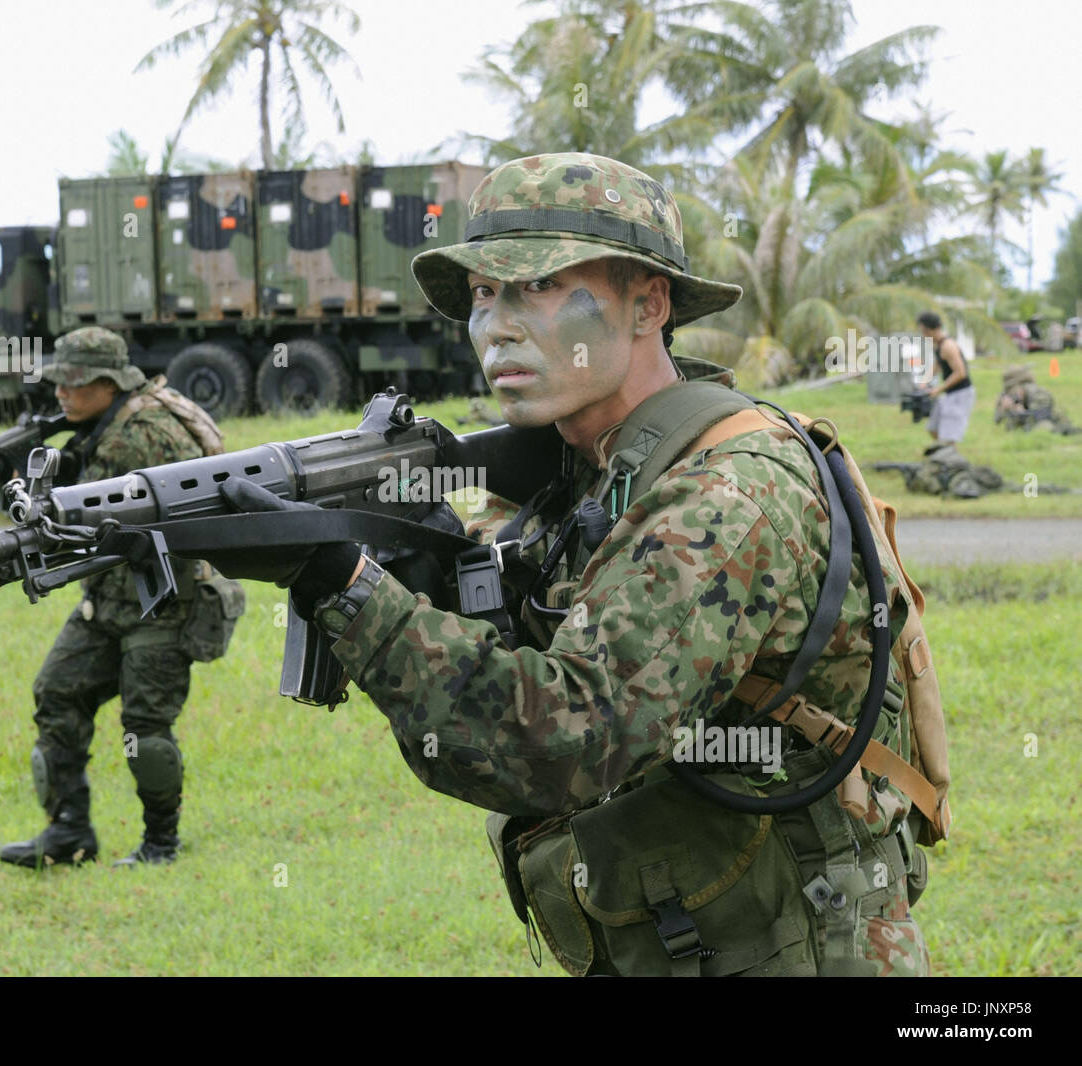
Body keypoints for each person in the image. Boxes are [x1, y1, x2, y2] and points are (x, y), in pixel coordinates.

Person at [219, 153, 937, 976]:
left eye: (537, 287)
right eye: (484, 295)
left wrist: (341, 583)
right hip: (695, 929)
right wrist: (422, 559)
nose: (497, 326)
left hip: (795, 945)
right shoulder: (587, 468)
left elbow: (565, 744)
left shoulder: (724, 495)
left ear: (648, 303)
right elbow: (523, 642)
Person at [0, 327, 243, 869]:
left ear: (109, 383)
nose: (62, 393)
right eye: (58, 381)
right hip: (108, 598)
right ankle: (68, 835)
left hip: (165, 599)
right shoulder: (114, 422)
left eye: (74, 382)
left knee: (145, 728)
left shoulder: (142, 433)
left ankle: (161, 844)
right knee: (57, 694)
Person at [916, 311, 974, 444]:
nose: (923, 335)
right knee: (933, 428)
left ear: (930, 329)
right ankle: (946, 453)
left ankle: (950, 459)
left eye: (923, 331)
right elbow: (938, 365)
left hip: (961, 394)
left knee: (948, 436)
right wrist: (923, 383)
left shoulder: (948, 346)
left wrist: (938, 389)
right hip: (949, 394)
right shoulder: (939, 345)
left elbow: (961, 373)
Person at [994, 365, 1078, 434]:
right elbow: (997, 420)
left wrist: (1021, 412)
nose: (1013, 393)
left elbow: (1042, 416)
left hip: (1047, 421)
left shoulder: (1037, 393)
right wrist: (1004, 409)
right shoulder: (1006, 396)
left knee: (1044, 427)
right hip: (1026, 424)